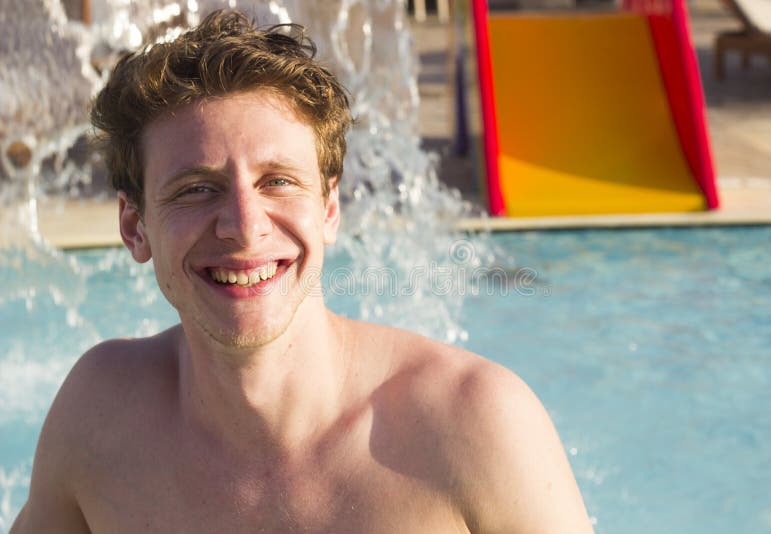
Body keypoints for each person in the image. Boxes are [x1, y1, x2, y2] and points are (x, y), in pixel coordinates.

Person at [12, 10, 593, 533]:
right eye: (196, 189)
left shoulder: (472, 425)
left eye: (278, 181)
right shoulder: (100, 416)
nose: (244, 225)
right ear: (134, 226)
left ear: (330, 207)